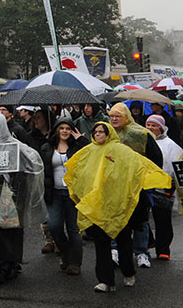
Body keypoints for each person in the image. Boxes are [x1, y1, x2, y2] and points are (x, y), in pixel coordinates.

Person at [65, 121, 171, 292]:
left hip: (120, 205)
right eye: (96, 131)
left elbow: (138, 167)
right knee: (101, 243)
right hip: (98, 206)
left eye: (102, 131)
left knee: (123, 242)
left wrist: (159, 178)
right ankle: (106, 280)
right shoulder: (89, 151)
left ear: (109, 134)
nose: (98, 134)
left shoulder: (122, 151)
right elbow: (75, 167)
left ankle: (128, 272)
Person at [0, 113, 46, 285]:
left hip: (9, 194)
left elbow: (32, 162)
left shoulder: (14, 145)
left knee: (8, 228)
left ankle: (6, 264)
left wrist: (14, 178)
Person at [108, 103, 161, 268]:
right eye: (112, 116)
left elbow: (155, 158)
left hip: (138, 184)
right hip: (115, 184)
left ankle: (141, 252)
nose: (114, 119)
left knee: (140, 219)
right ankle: (115, 249)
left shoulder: (141, 134)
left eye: (118, 116)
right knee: (116, 217)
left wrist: (148, 179)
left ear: (126, 117)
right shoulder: (107, 134)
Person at [41, 113, 87, 275]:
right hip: (54, 194)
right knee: (54, 226)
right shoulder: (47, 147)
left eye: (68, 128)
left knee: (74, 229)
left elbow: (91, 154)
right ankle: (67, 254)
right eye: (62, 128)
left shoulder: (77, 147)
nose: (65, 131)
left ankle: (75, 263)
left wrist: (80, 139)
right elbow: (42, 170)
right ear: (56, 130)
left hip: (72, 194)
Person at [144, 114, 181, 260]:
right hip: (145, 185)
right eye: (148, 125)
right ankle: (149, 241)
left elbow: (177, 165)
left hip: (164, 187)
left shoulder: (171, 145)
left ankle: (163, 249)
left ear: (161, 127)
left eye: (153, 125)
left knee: (163, 220)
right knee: (141, 217)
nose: (150, 128)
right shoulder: (142, 142)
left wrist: (172, 184)